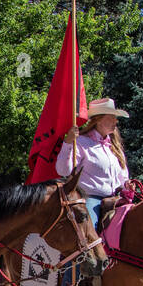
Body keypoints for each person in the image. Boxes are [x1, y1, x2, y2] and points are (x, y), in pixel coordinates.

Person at [55, 97, 131, 238]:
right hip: (91, 199)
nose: (116, 121)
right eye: (112, 117)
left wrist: (127, 186)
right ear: (99, 120)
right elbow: (63, 170)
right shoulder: (81, 143)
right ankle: (74, 260)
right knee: (87, 234)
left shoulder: (113, 148)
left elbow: (123, 177)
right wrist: (68, 143)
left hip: (116, 199)